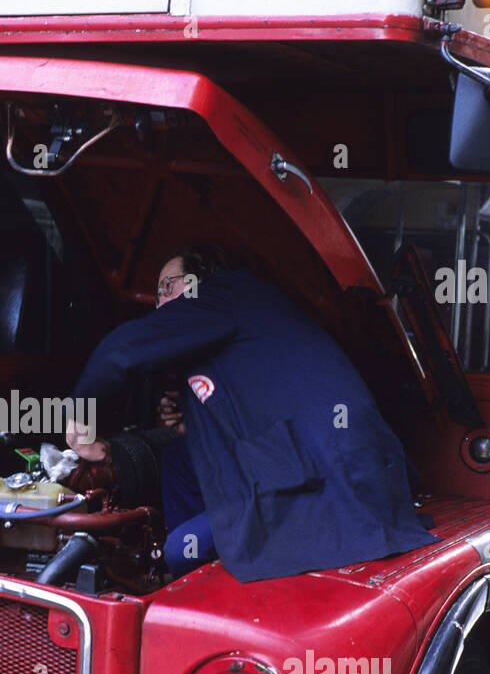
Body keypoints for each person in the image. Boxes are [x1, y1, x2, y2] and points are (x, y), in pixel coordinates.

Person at [66, 245, 438, 582]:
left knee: (180, 548)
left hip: (333, 487)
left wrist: (79, 422)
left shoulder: (225, 293)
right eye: (157, 293)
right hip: (316, 465)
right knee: (179, 459)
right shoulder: (241, 314)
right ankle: (209, 561)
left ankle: (194, 570)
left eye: (169, 286)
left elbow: (118, 351)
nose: (161, 303)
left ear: (203, 279)